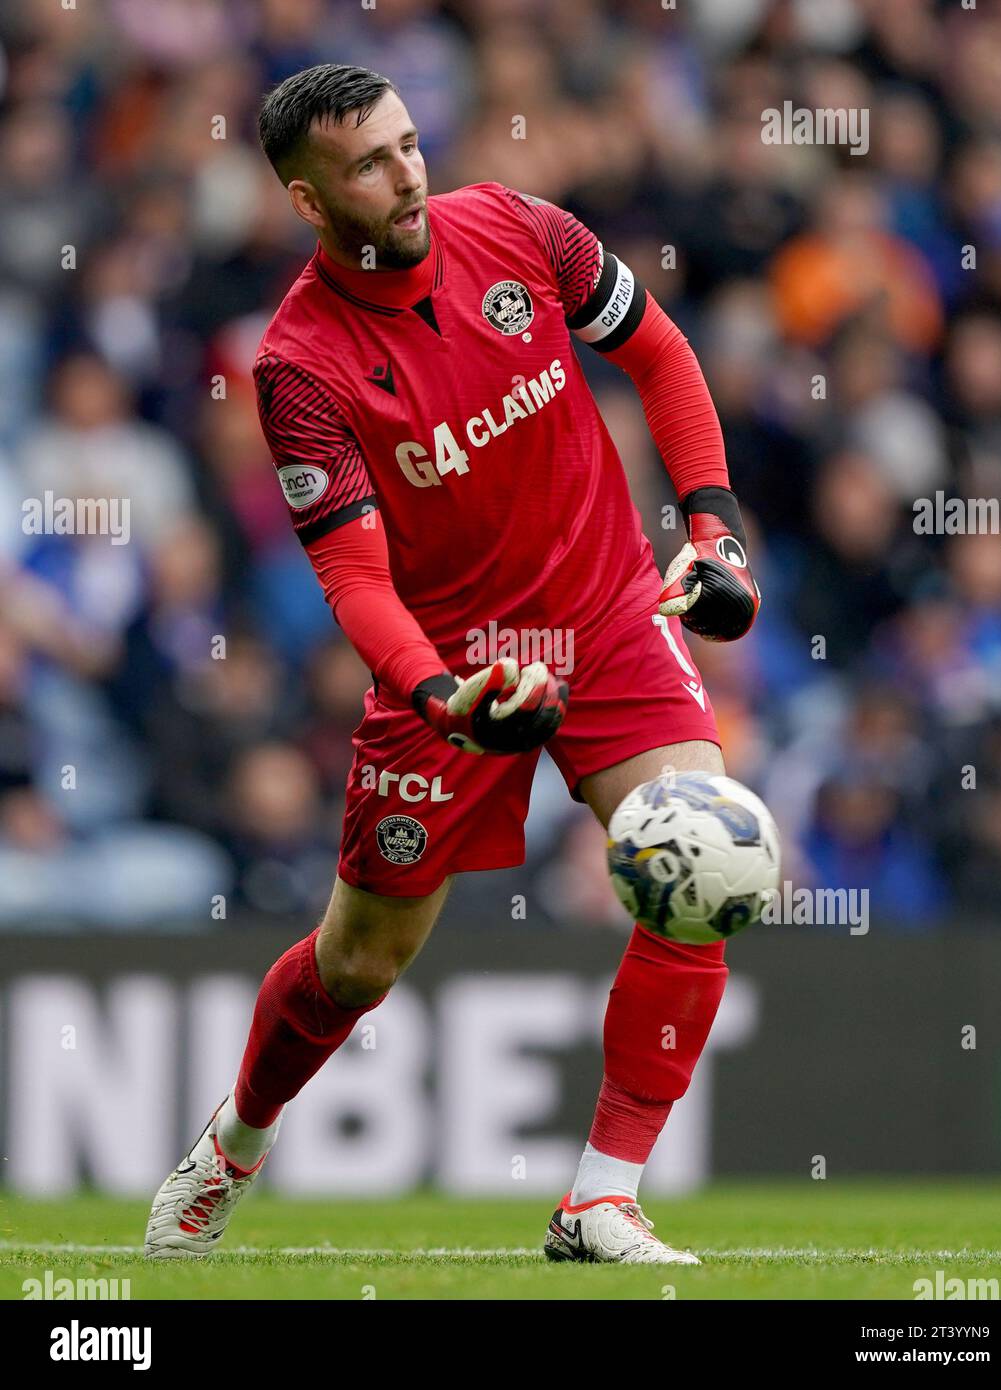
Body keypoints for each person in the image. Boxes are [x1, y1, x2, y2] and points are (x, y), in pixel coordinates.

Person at [146, 64, 763, 1265]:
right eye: (369, 164)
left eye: (409, 143)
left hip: (607, 610)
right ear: (310, 203)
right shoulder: (299, 366)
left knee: (698, 854)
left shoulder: (523, 230)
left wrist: (709, 525)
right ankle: (237, 1140)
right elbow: (354, 579)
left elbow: (663, 355)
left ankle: (599, 1196)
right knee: (357, 962)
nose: (407, 172)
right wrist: (439, 694)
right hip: (454, 671)